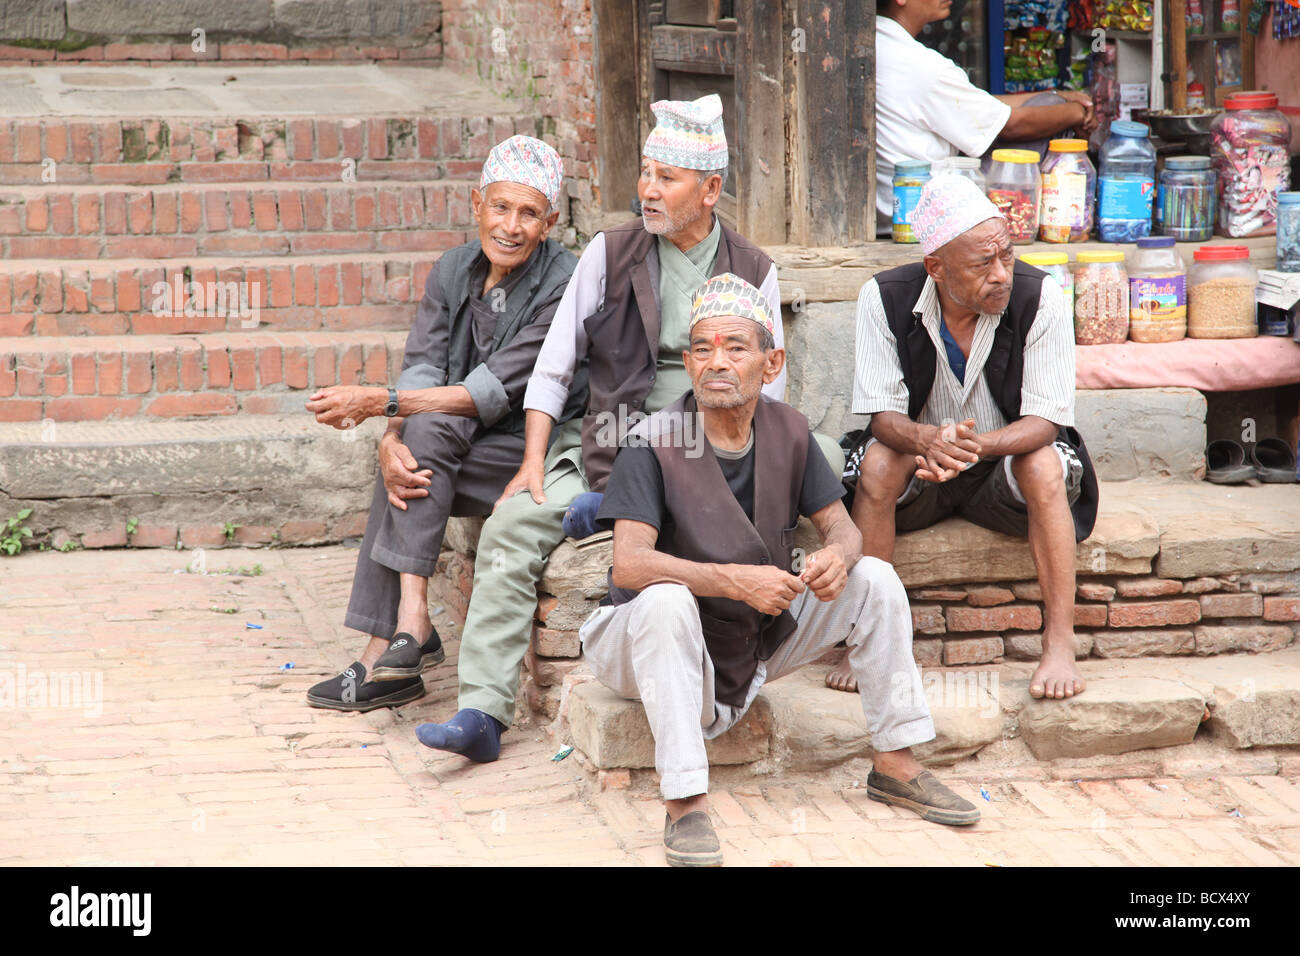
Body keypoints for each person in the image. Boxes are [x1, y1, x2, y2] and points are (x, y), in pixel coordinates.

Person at [412, 94, 846, 762]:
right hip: (615, 442)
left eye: (664, 179)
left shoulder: (754, 269)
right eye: (644, 173)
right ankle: (482, 709)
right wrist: (532, 461)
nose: (647, 190)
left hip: (713, 451)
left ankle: (617, 518)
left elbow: (770, 395)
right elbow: (554, 368)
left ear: (710, 190)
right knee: (510, 525)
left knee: (825, 454)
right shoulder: (610, 252)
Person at [580, 273, 978, 867]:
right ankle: (685, 801)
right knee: (666, 599)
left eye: (736, 348)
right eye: (704, 349)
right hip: (641, 642)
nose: (718, 362)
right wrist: (735, 580)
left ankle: (897, 764)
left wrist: (836, 558)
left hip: (747, 638)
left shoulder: (790, 432)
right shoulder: (653, 440)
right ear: (688, 364)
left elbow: (844, 528)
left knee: (875, 579)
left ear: (771, 363)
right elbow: (631, 565)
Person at [301, 134, 577, 712]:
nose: (511, 225)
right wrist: (390, 436)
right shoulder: (453, 269)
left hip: (530, 452)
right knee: (412, 447)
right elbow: (422, 366)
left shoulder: (563, 284)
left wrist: (383, 405)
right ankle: (402, 633)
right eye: (500, 207)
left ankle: (399, 640)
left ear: (548, 222)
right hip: (453, 444)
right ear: (476, 202)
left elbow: (492, 389)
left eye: (529, 213)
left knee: (422, 436)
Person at [829, 174, 1099, 701]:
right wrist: (928, 439)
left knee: (1044, 461)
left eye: (1007, 255)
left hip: (1003, 476)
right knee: (879, 462)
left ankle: (1060, 642)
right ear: (936, 267)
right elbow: (883, 418)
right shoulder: (883, 298)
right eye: (982, 264)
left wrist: (974, 446)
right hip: (918, 472)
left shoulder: (1040, 296)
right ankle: (866, 639)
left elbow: (1045, 420)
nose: (1001, 274)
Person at [874, 0, 1099, 231]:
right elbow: (1012, 125)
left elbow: (982, 104)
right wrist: (1076, 113)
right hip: (935, 213)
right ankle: (1061, 227)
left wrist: (1059, 95)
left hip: (889, 210)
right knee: (1051, 116)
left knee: (1051, 102)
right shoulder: (922, 66)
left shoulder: (878, 46)